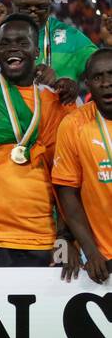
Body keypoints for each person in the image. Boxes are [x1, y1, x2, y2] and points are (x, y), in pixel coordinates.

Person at [0, 14, 72, 267]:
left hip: (39, 237)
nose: (13, 49)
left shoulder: (56, 102)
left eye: (22, 43)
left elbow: (67, 177)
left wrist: (66, 237)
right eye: (5, 43)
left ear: (36, 50)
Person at [53, 46, 112, 285]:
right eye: (98, 77)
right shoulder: (73, 124)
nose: (107, 83)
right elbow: (67, 193)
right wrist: (90, 250)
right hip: (101, 256)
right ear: (87, 83)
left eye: (111, 74)